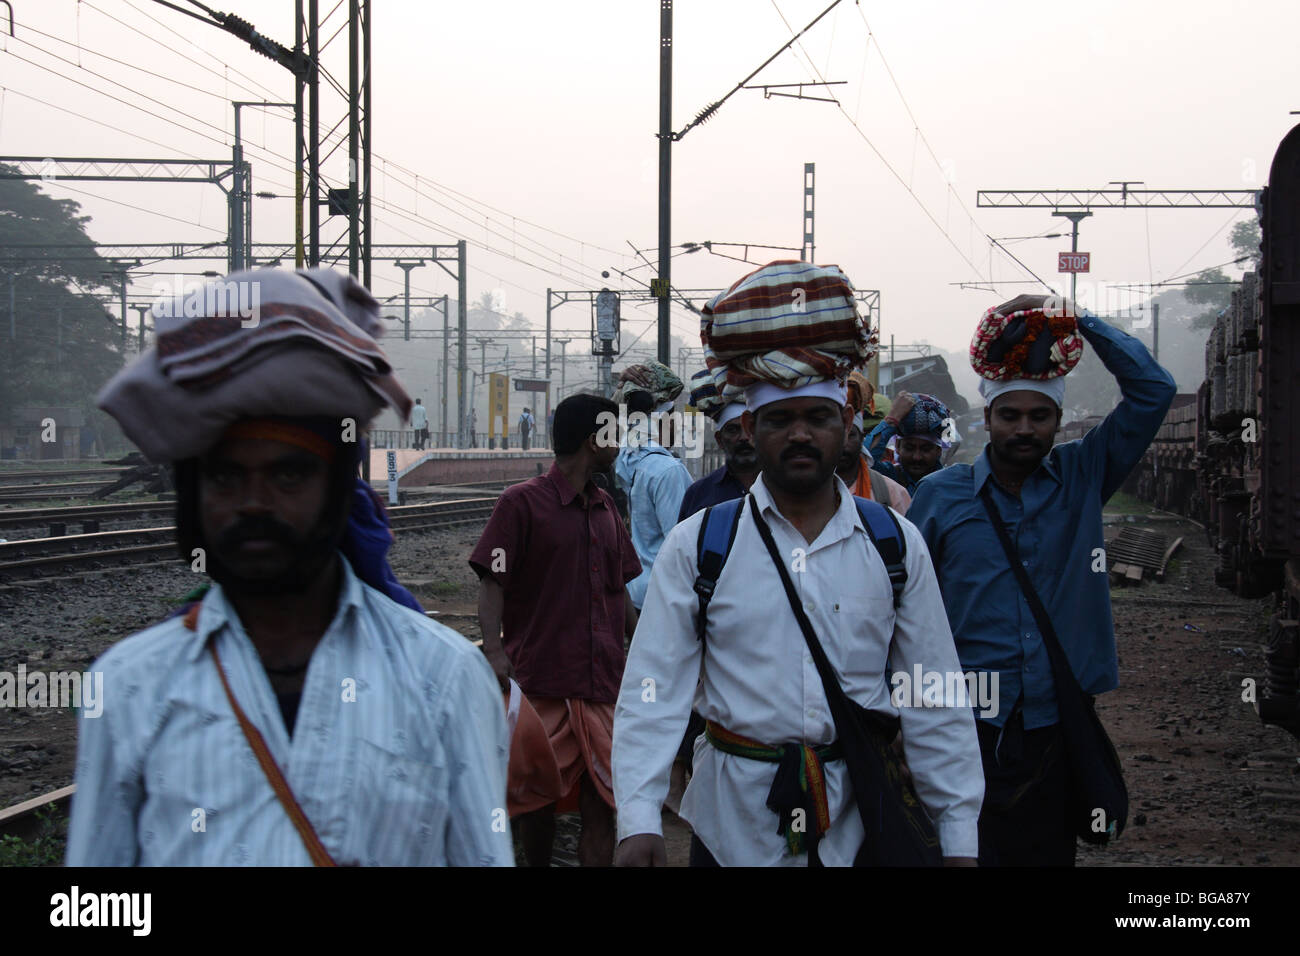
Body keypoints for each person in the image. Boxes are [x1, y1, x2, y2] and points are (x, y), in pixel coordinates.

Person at [72, 267, 511, 866]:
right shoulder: (129, 688)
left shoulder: (444, 678)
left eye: (287, 474)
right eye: (227, 477)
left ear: (336, 490)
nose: (254, 503)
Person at [613, 261, 983, 867]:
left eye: (817, 418)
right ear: (751, 429)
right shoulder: (700, 545)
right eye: (781, 420)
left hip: (858, 819)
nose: (801, 435)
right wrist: (637, 818)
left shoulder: (894, 543)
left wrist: (960, 834)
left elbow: (934, 692)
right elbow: (653, 690)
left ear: (846, 426)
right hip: (729, 826)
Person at [908, 294, 1176, 866]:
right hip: (964, 725)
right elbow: (901, 605)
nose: (1024, 429)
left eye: (1040, 416)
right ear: (989, 418)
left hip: (1056, 721)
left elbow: (1153, 390)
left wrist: (1078, 319)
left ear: (1058, 420)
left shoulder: (1084, 474)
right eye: (1011, 415)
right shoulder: (939, 497)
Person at [470, 393, 643, 866]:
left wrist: (649, 648)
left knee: (602, 805)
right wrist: (493, 651)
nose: (621, 441)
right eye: (613, 432)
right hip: (542, 682)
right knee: (535, 803)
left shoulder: (607, 508)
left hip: (602, 684)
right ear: (593, 440)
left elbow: (620, 594)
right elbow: (493, 581)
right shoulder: (520, 504)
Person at [612, 361, 692, 613]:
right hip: (665, 598)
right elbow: (682, 546)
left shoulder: (625, 460)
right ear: (661, 420)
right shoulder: (667, 471)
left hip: (637, 591)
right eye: (672, 417)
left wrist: (622, 389)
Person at [676, 368, 759, 522]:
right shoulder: (699, 495)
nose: (744, 438)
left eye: (750, 428)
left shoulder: (786, 489)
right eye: (733, 430)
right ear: (720, 440)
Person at [864, 391, 952, 495]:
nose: (917, 457)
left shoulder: (950, 485)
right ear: (897, 446)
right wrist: (891, 420)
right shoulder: (889, 477)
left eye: (925, 449)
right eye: (909, 448)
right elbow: (864, 460)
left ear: (939, 451)